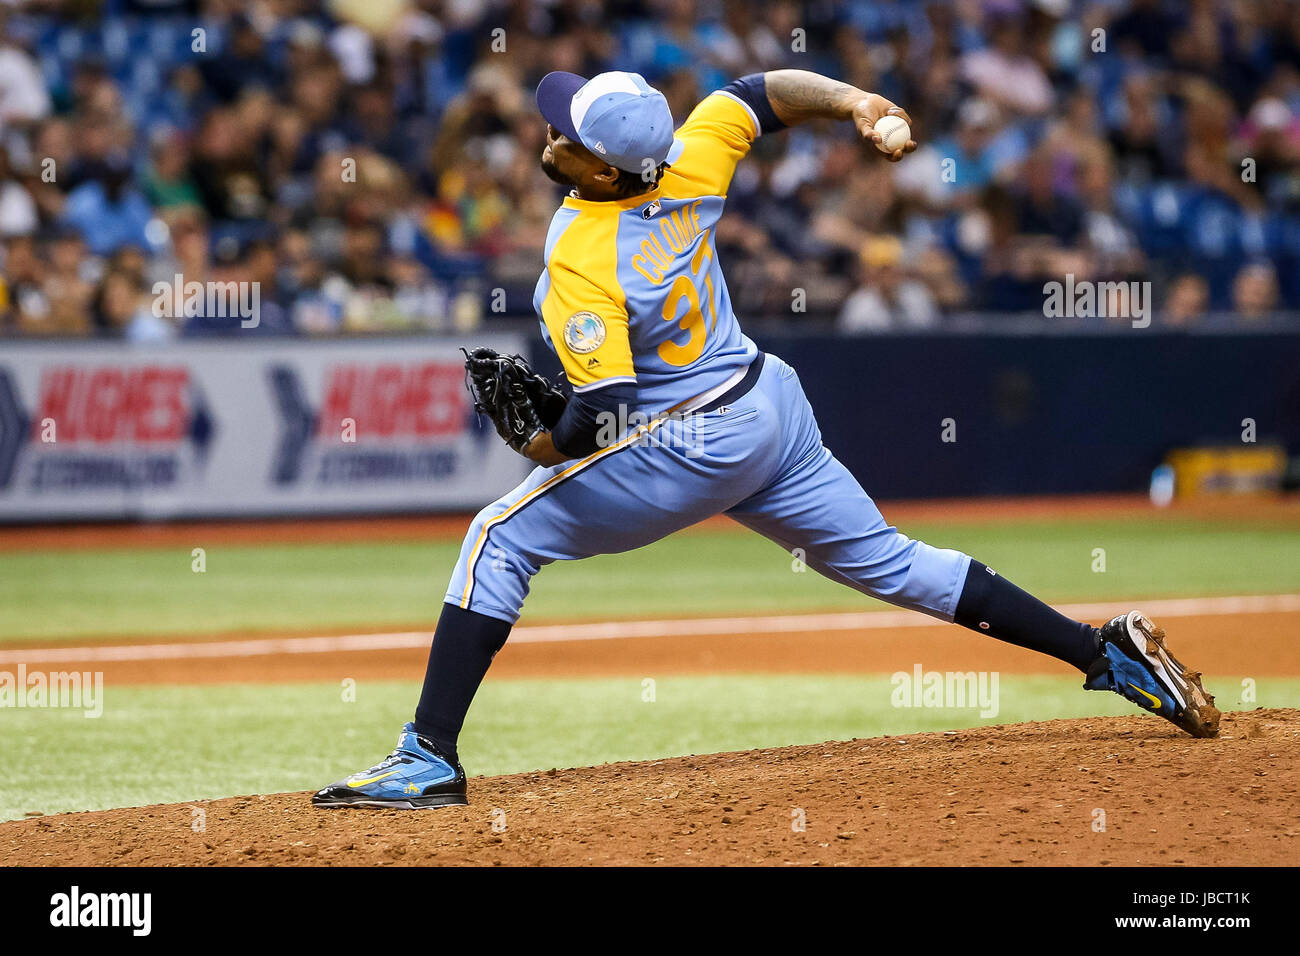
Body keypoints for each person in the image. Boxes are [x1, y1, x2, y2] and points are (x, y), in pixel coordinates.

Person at [314, 69, 1219, 810]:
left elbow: (607, 409)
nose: (547, 136)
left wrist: (544, 443)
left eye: (565, 136)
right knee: (897, 565)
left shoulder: (582, 254)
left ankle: (427, 754)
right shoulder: (690, 156)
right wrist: (862, 104)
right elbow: (763, 92)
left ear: (601, 171)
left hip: (694, 435)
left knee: (497, 537)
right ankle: (1103, 652)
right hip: (768, 405)